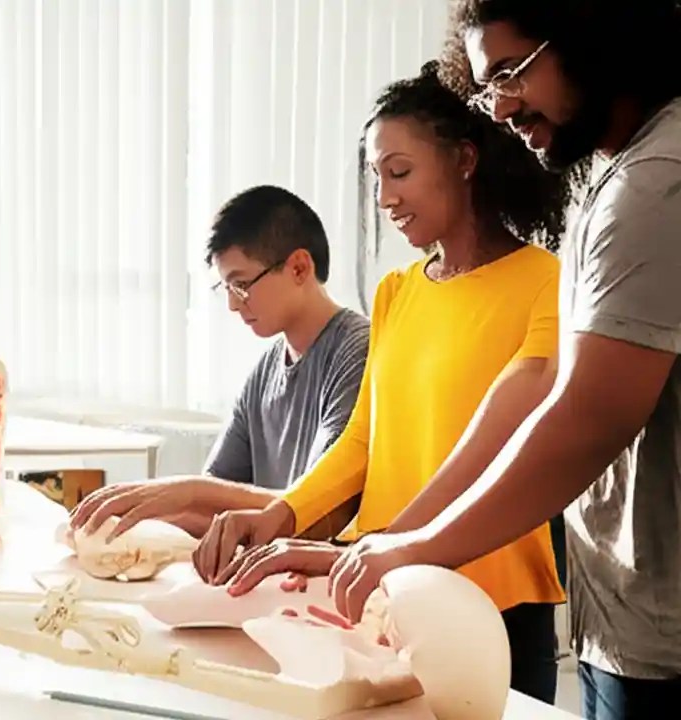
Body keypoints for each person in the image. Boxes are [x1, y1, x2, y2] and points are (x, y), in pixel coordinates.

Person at [309, 2, 681, 718]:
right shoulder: (628, 168)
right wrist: (384, 540)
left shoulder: (679, 166)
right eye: (486, 87)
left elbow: (588, 414)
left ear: (594, 37)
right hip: (643, 626)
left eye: (512, 73)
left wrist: (413, 548)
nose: (501, 107)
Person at [192, 62, 572, 704]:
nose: (384, 197)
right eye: (376, 178)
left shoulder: (547, 280)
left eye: (398, 172)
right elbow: (362, 442)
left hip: (492, 599)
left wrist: (389, 544)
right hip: (385, 591)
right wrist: (281, 515)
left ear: (464, 160)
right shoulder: (397, 291)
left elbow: (496, 445)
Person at [69, 185, 370, 540]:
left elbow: (320, 508)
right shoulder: (266, 371)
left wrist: (190, 491)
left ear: (299, 268)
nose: (233, 305)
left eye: (241, 285)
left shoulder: (359, 351)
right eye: (225, 288)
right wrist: (128, 526)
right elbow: (213, 503)